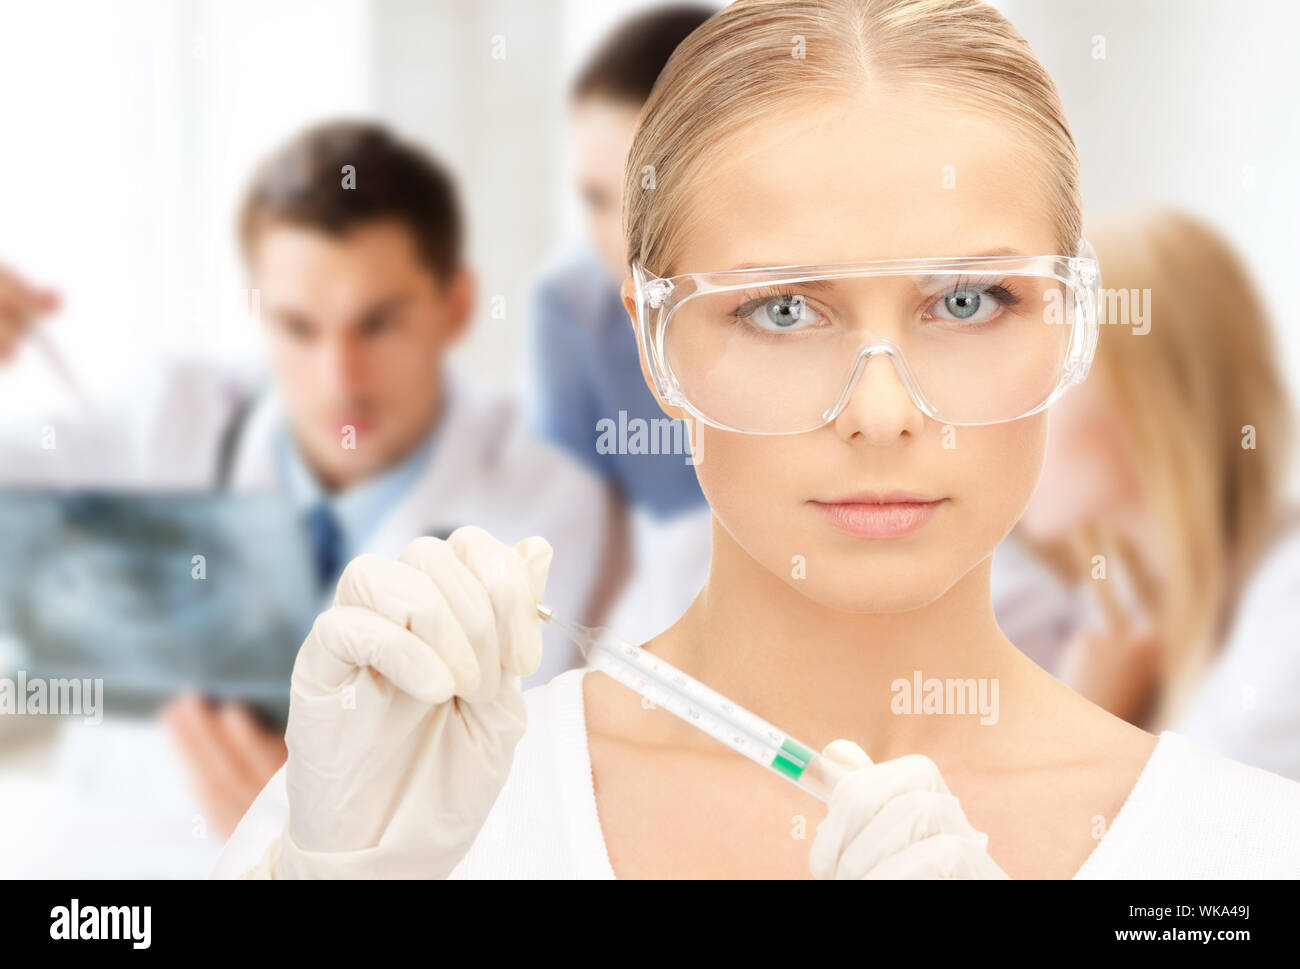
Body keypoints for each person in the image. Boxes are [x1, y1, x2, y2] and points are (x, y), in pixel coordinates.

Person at [217, 0, 1300, 879]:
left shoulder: (1247, 854)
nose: (882, 414)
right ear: (653, 340)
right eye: (783, 310)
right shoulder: (404, 808)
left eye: (968, 302)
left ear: (1069, 321)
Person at [0, 121, 608, 858]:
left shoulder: (544, 498)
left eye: (378, 323)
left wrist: (314, 843)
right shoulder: (169, 421)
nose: (339, 378)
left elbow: (510, 805)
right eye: (297, 326)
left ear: (455, 303)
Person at [1012, 210, 1300, 780]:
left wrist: (1087, 727)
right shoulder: (1119, 601)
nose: (1009, 418)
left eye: (1046, 375)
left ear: (1146, 397)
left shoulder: (1286, 605)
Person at [528, 5, 717, 643]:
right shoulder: (571, 307)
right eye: (595, 199)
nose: (619, 238)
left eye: (645, 198)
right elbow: (576, 536)